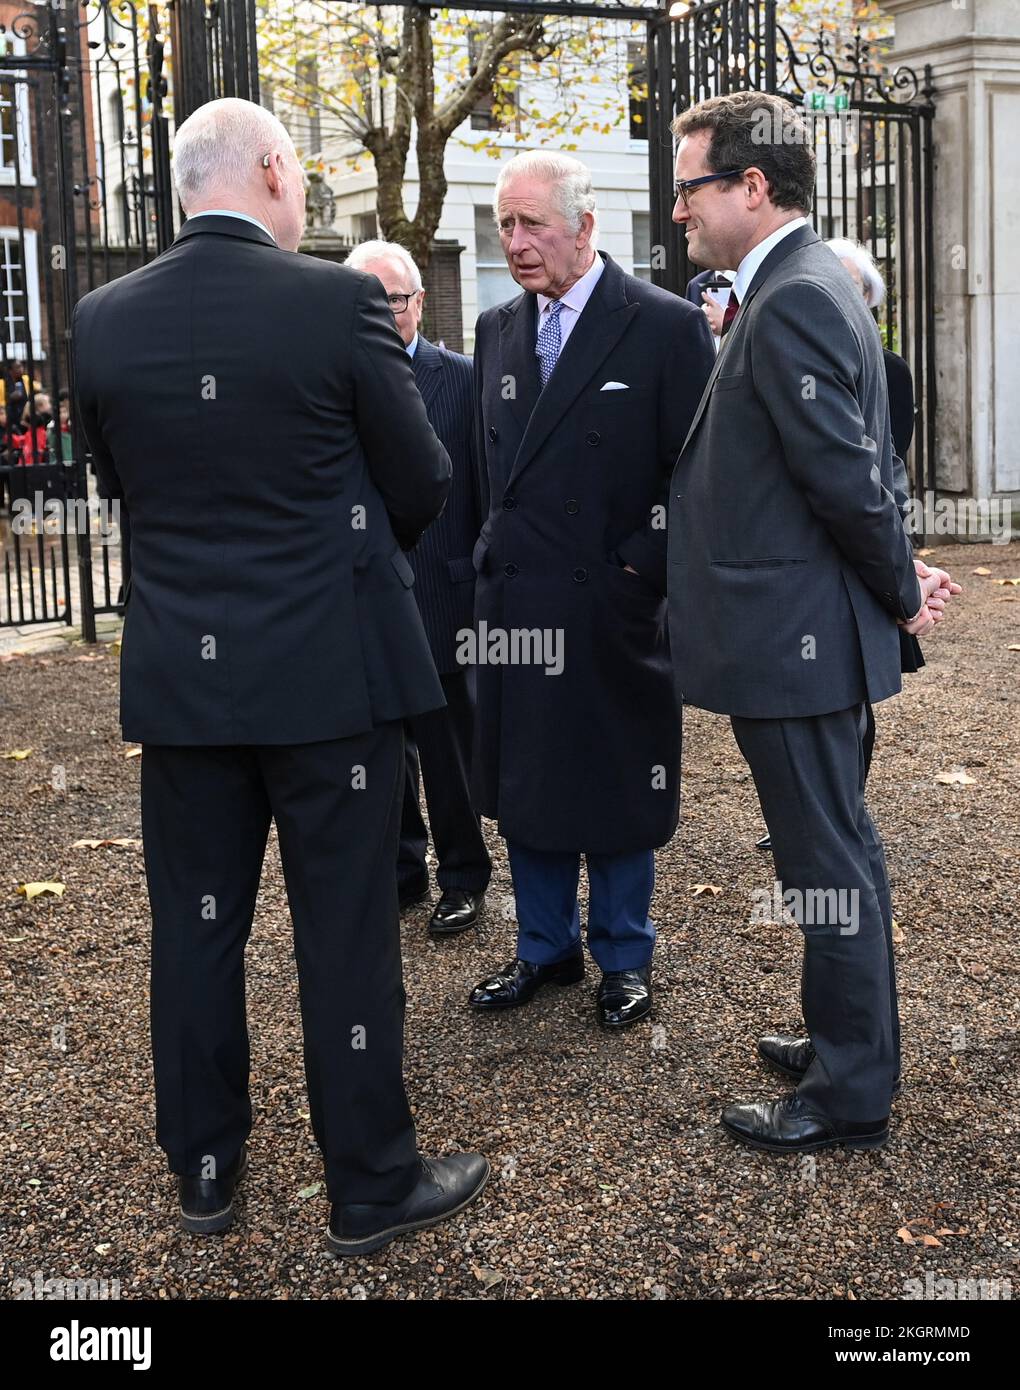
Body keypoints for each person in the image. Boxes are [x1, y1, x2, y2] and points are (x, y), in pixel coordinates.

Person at [72, 96, 488, 1257]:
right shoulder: (337, 301)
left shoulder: (102, 318)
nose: (303, 194)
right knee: (344, 934)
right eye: (299, 174)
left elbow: (124, 487)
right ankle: (369, 1183)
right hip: (330, 684)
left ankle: (205, 1169)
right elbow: (422, 480)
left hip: (186, 689)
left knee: (195, 932)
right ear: (268, 170)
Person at [668, 91, 958, 1153]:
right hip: (801, 629)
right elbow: (845, 472)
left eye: (692, 185)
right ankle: (848, 1039)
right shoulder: (802, 280)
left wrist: (895, 585)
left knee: (830, 864)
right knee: (828, 861)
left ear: (753, 186)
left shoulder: (790, 293)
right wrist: (897, 573)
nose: (679, 209)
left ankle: (848, 1092)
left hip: (796, 641)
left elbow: (847, 481)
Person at [467, 150, 715, 1028]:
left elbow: (693, 474)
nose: (517, 243)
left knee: (615, 780)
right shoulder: (496, 328)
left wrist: (636, 572)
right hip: (518, 604)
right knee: (525, 780)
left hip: (609, 606)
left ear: (585, 224)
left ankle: (623, 955)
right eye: (505, 224)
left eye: (533, 223)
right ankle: (545, 950)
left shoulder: (661, 325)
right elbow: (485, 472)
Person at [346, 238, 492, 938]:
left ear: (419, 302)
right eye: (368, 302)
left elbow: (490, 493)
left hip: (443, 594)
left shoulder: (463, 379)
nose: (384, 313)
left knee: (449, 753)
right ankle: (403, 871)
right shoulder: (332, 383)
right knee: (382, 753)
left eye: (395, 300)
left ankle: (464, 876)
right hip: (364, 599)